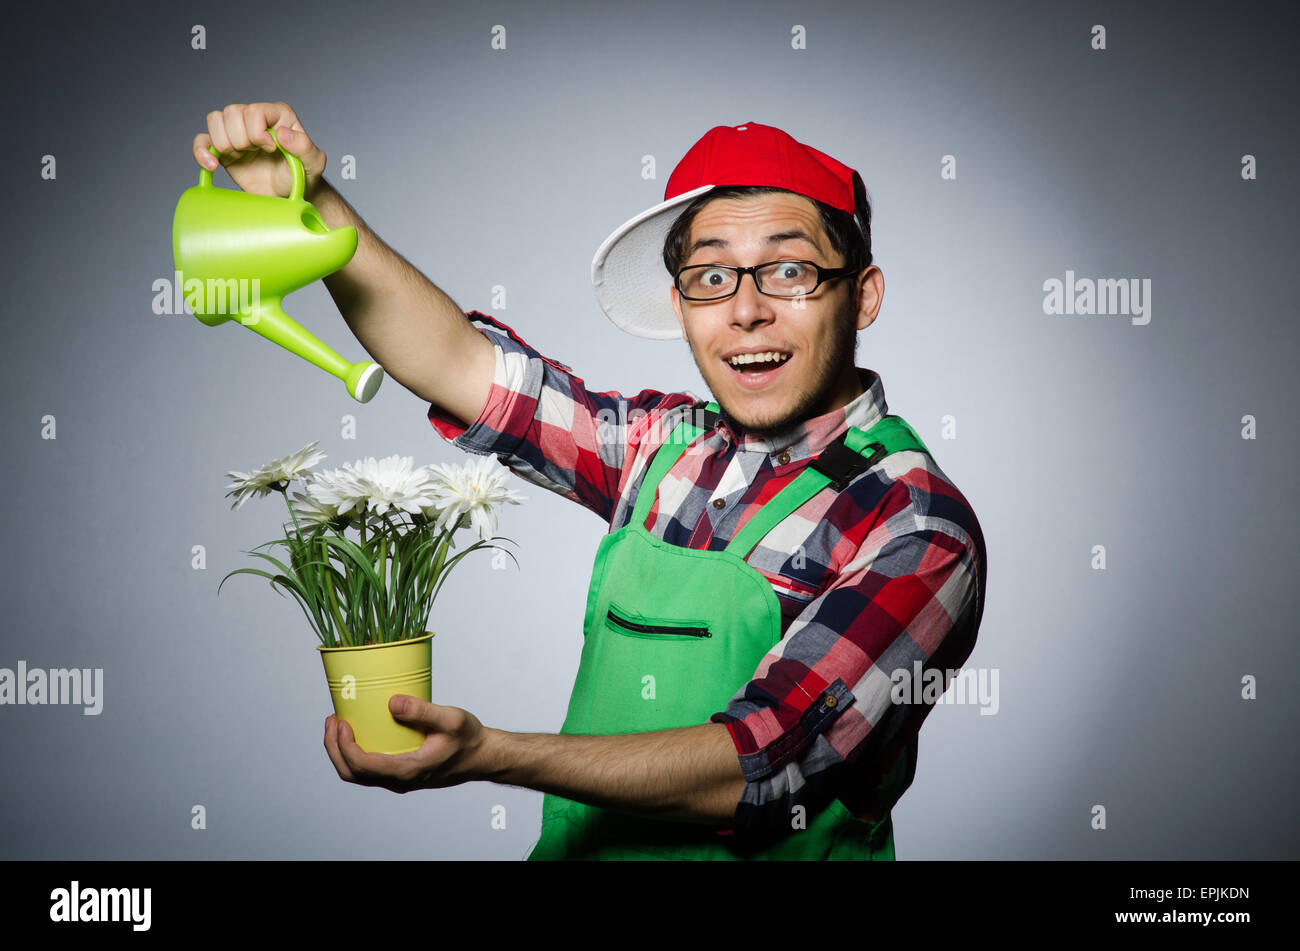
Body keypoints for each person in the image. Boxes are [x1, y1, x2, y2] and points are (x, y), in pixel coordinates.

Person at [193, 103, 987, 860]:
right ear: (681, 305)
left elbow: (761, 762)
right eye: (711, 277)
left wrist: (492, 753)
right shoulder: (662, 446)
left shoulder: (912, 521)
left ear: (864, 295)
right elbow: (462, 366)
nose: (745, 310)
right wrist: (308, 203)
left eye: (788, 269)